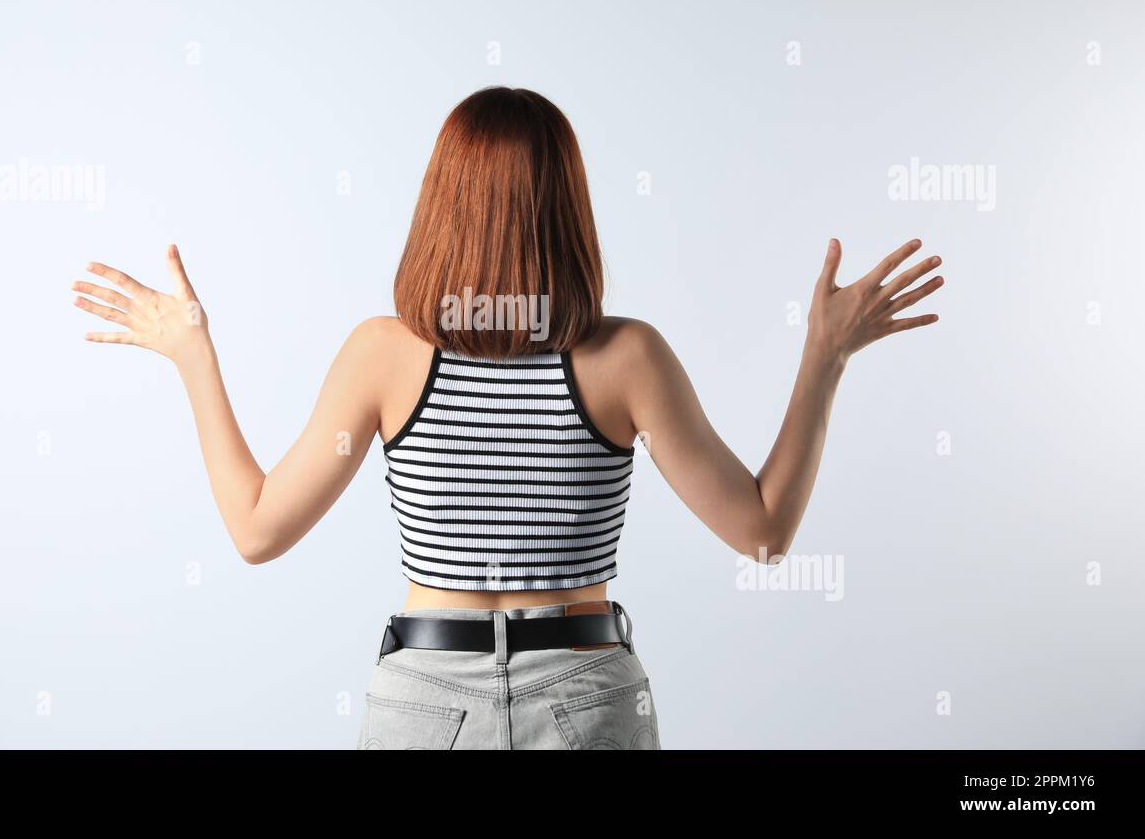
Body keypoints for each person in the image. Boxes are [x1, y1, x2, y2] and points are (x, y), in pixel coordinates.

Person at [70, 86, 943, 749]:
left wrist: (193, 356)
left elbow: (256, 531)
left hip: (422, 701)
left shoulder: (384, 354)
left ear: (440, 204)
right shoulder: (626, 358)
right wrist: (824, 358)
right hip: (588, 695)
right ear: (570, 207)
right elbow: (762, 532)